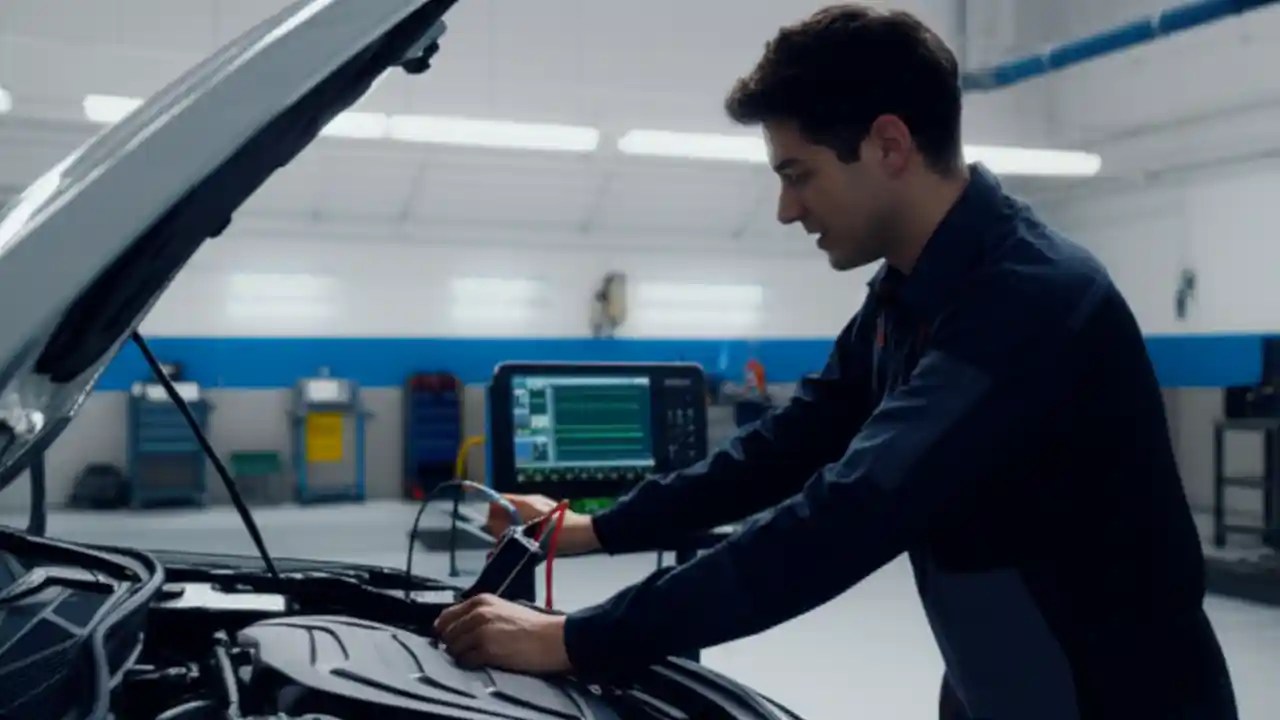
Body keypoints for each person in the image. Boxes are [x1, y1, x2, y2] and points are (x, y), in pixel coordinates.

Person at [433, 5, 1239, 718]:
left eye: (798, 174)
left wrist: (576, 640)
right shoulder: (909, 292)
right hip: (1001, 681)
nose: (787, 209)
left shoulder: (1031, 301)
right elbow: (791, 444)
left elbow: (844, 517)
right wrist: (590, 531)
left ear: (888, 145)